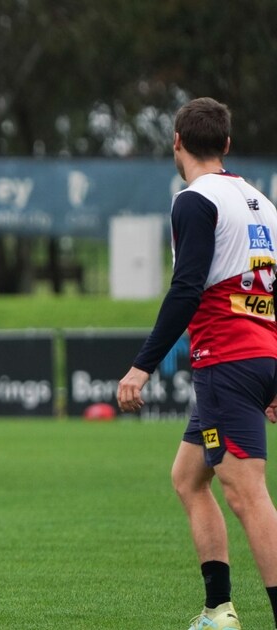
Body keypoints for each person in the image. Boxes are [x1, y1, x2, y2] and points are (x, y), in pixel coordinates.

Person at [117, 97, 277, 630]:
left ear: (177, 143)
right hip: (260, 355)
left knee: (248, 492)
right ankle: (219, 609)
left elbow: (186, 288)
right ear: (227, 145)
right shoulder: (260, 201)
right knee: (189, 478)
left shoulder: (194, 200)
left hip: (226, 360)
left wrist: (142, 365)